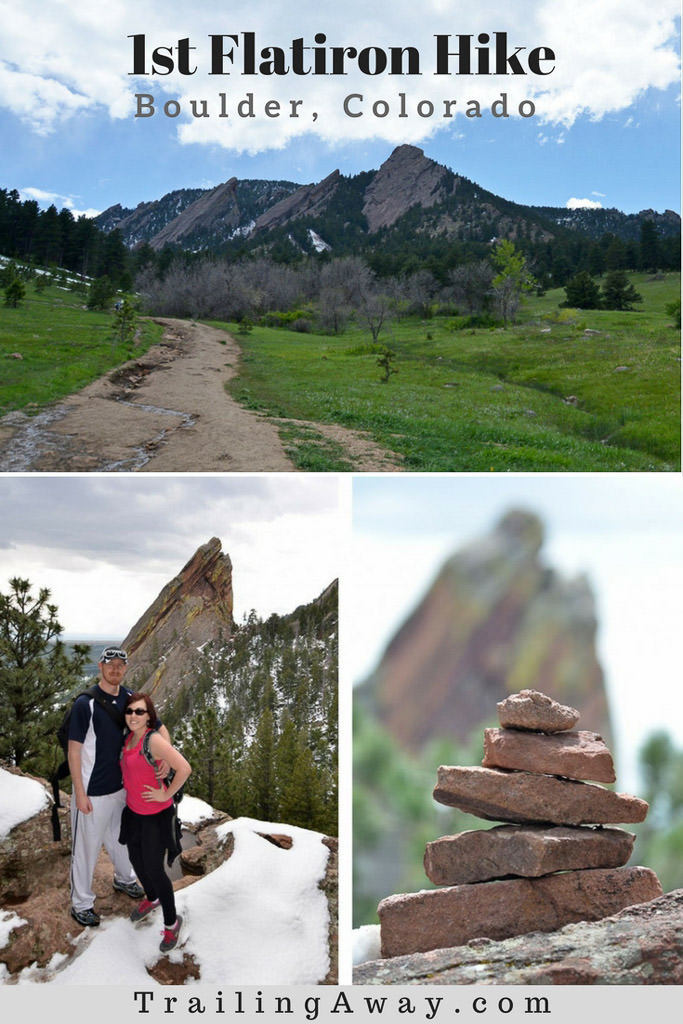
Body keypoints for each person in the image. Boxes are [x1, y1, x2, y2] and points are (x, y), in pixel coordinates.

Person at [67, 646, 170, 927]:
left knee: (121, 840)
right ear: (100, 666)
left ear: (125, 669)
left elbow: (159, 728)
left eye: (120, 665)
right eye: (109, 664)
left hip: (122, 790)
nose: (115, 669)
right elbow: (74, 751)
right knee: (86, 850)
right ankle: (81, 903)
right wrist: (79, 793)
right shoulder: (85, 704)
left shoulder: (129, 699)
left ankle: (125, 880)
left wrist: (167, 758)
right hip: (92, 791)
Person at [120, 691, 191, 952]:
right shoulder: (128, 738)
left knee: (154, 868)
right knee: (136, 860)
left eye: (140, 711)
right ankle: (153, 898)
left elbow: (184, 767)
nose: (133, 716)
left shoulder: (153, 741)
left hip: (155, 816)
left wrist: (165, 793)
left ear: (149, 716)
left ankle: (172, 924)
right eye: (130, 712)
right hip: (134, 813)